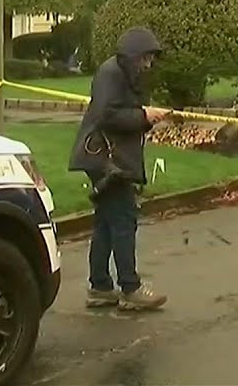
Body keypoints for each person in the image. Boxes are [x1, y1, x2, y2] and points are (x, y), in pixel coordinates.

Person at [68, 27, 170, 311]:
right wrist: (143, 115)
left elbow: (118, 113)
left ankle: (100, 286)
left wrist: (145, 118)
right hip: (107, 161)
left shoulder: (120, 73)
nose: (148, 64)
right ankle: (131, 287)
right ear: (133, 55)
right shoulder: (110, 74)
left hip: (109, 159)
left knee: (105, 222)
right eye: (146, 58)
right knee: (124, 221)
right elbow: (107, 115)